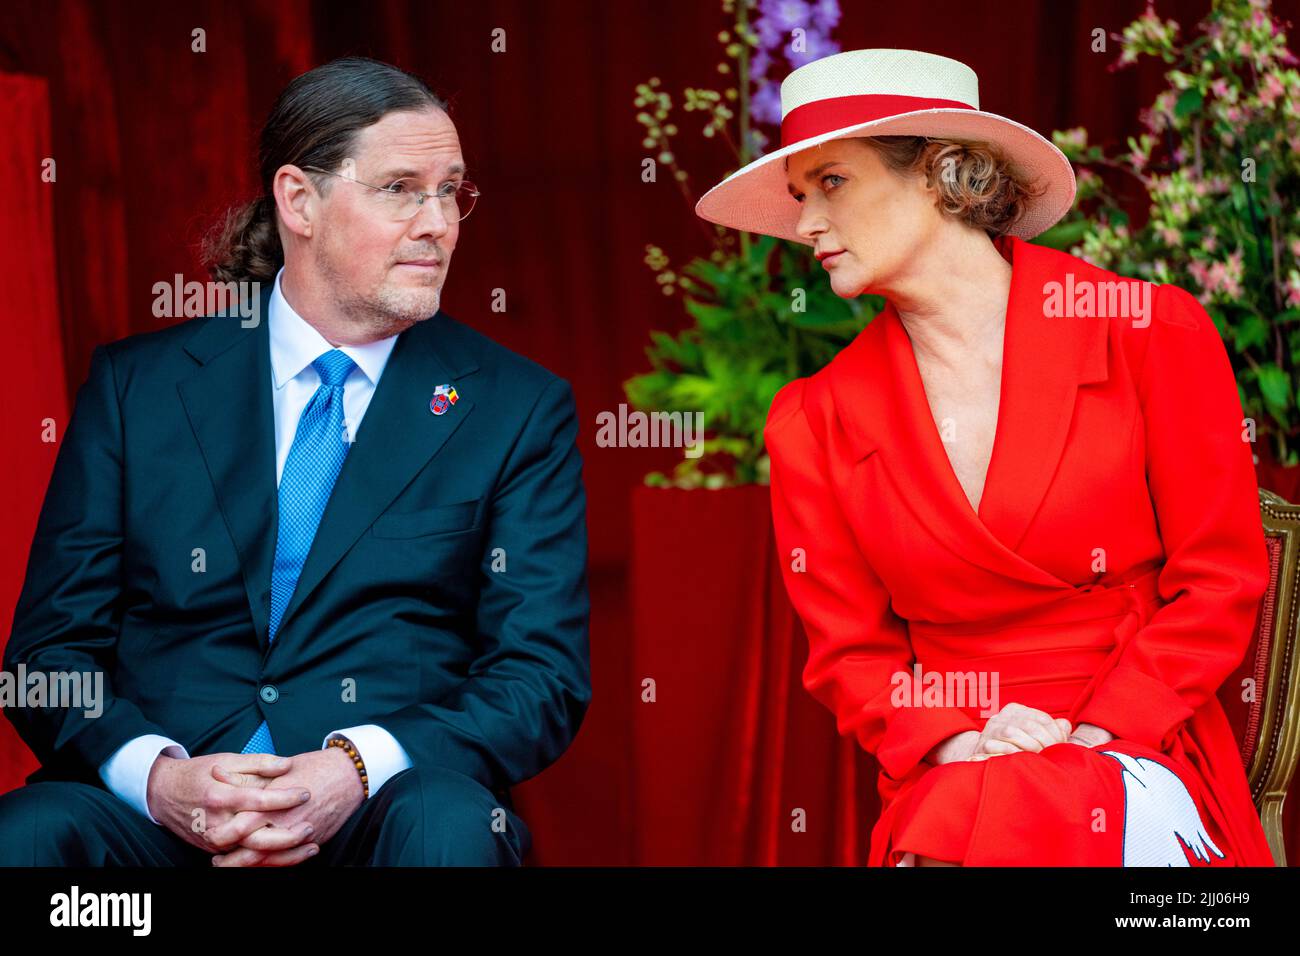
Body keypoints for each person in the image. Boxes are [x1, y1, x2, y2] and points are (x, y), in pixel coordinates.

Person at [0, 56, 591, 866]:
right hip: (160, 825)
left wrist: (353, 767)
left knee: (447, 828)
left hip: (381, 821)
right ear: (299, 200)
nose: (438, 222)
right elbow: (46, 657)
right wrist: (157, 776)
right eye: (399, 189)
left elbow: (540, 676)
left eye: (450, 189)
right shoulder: (139, 387)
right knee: (29, 839)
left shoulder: (515, 408)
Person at [696, 48, 1274, 866]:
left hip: (1143, 745)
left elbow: (1219, 580)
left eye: (832, 182)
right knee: (975, 808)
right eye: (799, 197)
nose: (805, 224)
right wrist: (959, 742)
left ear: (944, 171)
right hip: (953, 763)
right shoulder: (812, 421)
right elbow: (852, 655)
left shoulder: (1152, 334)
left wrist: (1095, 731)